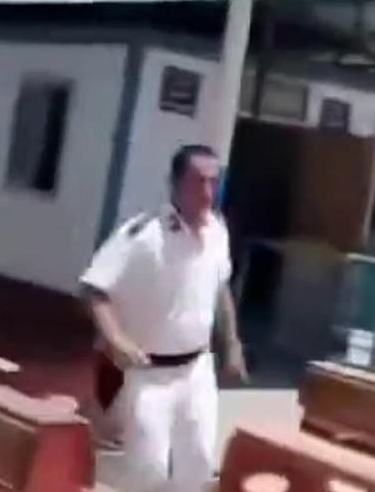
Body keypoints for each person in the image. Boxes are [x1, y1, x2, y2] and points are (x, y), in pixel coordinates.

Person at [81, 144, 248, 492]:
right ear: (174, 184)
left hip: (197, 370)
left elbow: (221, 289)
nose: (207, 192)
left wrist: (231, 345)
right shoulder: (143, 235)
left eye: (213, 182)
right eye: (197, 182)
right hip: (148, 374)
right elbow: (96, 290)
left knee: (199, 463)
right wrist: (117, 341)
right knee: (149, 471)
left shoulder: (218, 232)